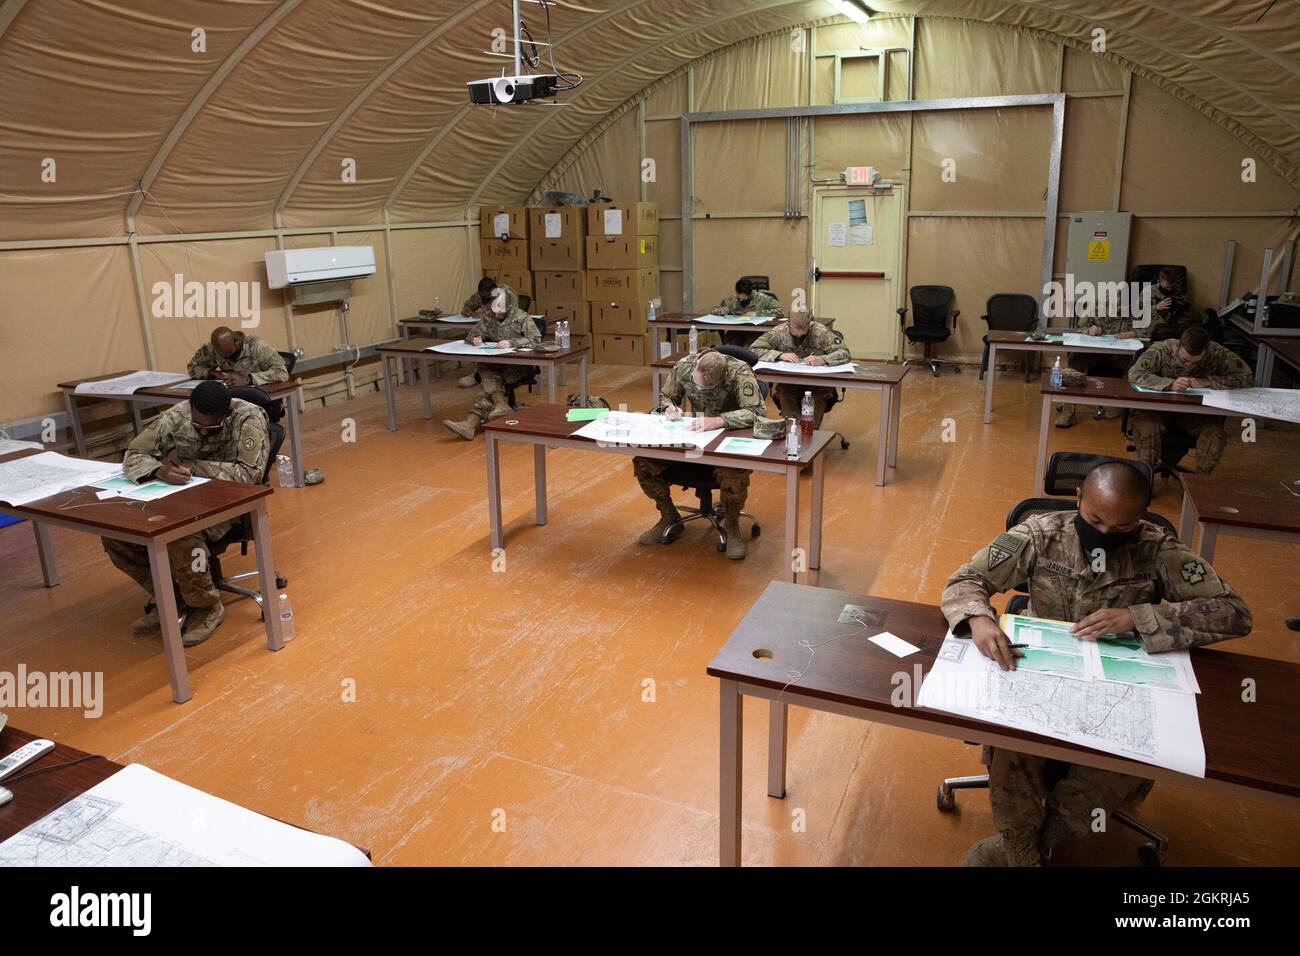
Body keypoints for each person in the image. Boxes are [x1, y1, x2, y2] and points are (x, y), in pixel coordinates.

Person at [941, 461, 1251, 866]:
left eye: (1120, 529)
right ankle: (1020, 845)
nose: (1104, 534)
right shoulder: (1040, 534)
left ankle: (1040, 840)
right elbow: (965, 580)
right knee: (1013, 739)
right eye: (1094, 520)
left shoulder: (1157, 549)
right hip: (1040, 665)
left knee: (1132, 749)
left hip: (1116, 679)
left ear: (1139, 519)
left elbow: (1233, 612)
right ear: (1078, 500)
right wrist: (979, 619)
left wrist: (1139, 618)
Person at [102, 381, 271, 647]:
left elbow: (250, 475)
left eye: (210, 428)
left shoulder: (249, 418)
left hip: (231, 503)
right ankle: (172, 598)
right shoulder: (178, 416)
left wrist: (193, 466)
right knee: (117, 534)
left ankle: (206, 607)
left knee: (180, 533)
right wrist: (159, 471)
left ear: (225, 414)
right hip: (183, 496)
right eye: (197, 426)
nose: (202, 431)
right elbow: (134, 453)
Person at [634, 349, 764, 559]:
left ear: (723, 375)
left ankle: (732, 527)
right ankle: (669, 518)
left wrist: (719, 420)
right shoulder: (684, 366)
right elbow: (666, 395)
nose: (703, 390)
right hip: (693, 437)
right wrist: (669, 407)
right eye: (699, 384)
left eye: (710, 387)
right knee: (644, 461)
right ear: (696, 364)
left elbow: (756, 411)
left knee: (732, 474)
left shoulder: (740, 372)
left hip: (727, 440)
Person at [1127, 326, 1252, 475]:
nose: (1189, 366)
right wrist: (1170, 384)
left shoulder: (1217, 353)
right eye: (1185, 360)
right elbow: (1135, 373)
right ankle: (1146, 477)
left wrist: (1208, 381)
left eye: (1195, 363)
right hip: (1157, 410)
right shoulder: (1162, 350)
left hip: (1195, 414)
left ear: (1206, 350)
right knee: (1147, 428)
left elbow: (1247, 378)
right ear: (1179, 345)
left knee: (1214, 433)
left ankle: (1199, 485)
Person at [442, 286, 540, 440]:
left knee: (488, 380)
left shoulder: (521, 317)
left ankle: (470, 423)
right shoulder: (489, 317)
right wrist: (475, 339)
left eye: (500, 306)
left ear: (509, 305)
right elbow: (471, 334)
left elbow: (535, 340)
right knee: (487, 371)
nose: (496, 310)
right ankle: (500, 404)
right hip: (494, 364)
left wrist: (512, 342)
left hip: (516, 367)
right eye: (494, 306)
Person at [749, 311, 849, 428]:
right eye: (795, 335)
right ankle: (793, 433)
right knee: (787, 398)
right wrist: (780, 355)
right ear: (789, 323)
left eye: (803, 334)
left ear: (810, 324)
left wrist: (823, 359)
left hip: (819, 384)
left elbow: (844, 352)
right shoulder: (779, 332)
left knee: (812, 413)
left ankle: (809, 434)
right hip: (790, 383)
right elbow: (753, 350)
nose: (799, 337)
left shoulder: (820, 332)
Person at [1054, 312, 1140, 429]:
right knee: (1075, 358)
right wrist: (1089, 330)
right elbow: (1080, 327)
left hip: (1122, 355)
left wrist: (1134, 333)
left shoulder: (1135, 307)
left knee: (1137, 365)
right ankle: (1069, 412)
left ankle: (1131, 409)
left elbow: (1150, 329)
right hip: (1095, 352)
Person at [187, 327, 288, 387]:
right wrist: (213, 373)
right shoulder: (212, 348)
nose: (227, 358)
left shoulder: (256, 345)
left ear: (237, 342)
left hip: (259, 395)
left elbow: (282, 372)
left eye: (230, 354)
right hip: (232, 396)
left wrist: (248, 379)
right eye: (222, 356)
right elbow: (192, 367)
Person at [712, 278, 784, 346]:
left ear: (750, 293)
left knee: (749, 350)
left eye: (745, 296)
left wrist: (757, 313)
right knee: (729, 348)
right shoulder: (732, 300)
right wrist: (721, 311)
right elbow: (714, 310)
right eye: (739, 295)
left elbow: (779, 312)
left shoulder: (763, 298)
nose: (742, 299)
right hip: (736, 330)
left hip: (755, 331)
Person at [457, 278, 500, 388]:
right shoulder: (480, 296)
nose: (485, 298)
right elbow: (466, 310)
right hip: (489, 330)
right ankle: (479, 373)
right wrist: (474, 313)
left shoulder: (504, 297)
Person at [1147, 267, 1190, 341]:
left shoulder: (1179, 293)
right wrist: (1156, 307)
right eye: (1166, 287)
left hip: (1172, 327)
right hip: (1152, 325)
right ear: (1159, 282)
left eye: (1171, 287)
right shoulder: (1149, 291)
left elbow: (1185, 316)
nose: (1169, 290)